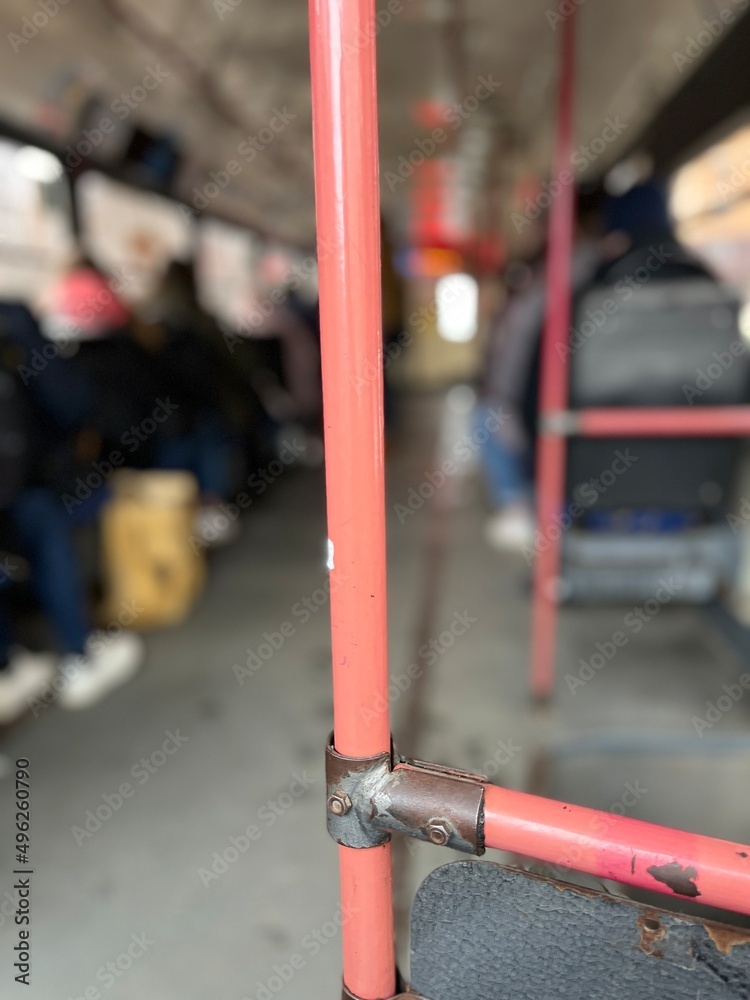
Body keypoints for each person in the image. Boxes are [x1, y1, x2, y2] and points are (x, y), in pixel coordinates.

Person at [0, 300, 143, 720]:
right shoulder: (13, 324)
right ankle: (79, 654)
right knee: (44, 518)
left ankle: (9, 665)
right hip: (23, 491)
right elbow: (72, 402)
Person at [477, 189, 605, 551]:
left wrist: (501, 398)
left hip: (549, 401)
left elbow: (515, 352)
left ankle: (522, 504)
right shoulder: (582, 270)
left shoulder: (560, 274)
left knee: (489, 420)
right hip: (567, 397)